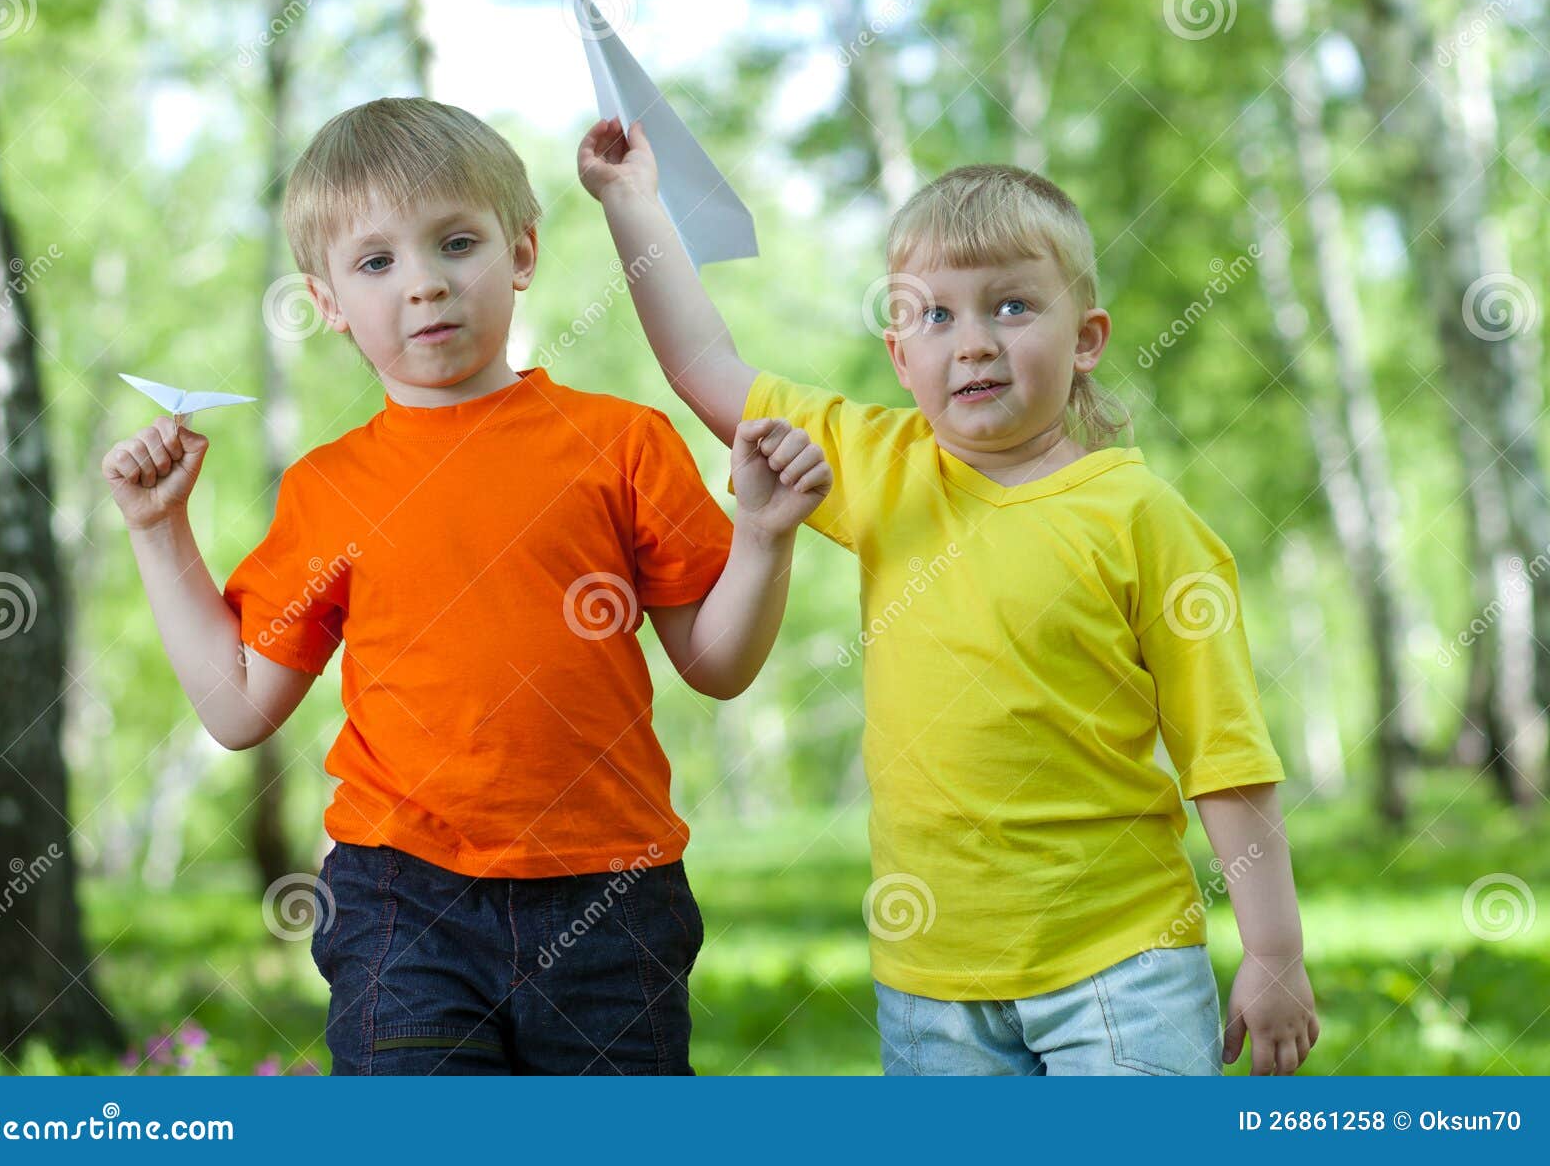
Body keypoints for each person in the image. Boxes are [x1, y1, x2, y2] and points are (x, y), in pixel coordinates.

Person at [101, 97, 832, 1075]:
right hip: (403, 901)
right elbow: (236, 704)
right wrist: (159, 532)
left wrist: (765, 536)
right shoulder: (328, 487)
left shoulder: (620, 442)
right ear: (324, 301)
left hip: (615, 896)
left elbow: (717, 662)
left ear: (521, 253)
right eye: (376, 262)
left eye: (456, 242)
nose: (425, 286)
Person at [577, 115, 1318, 1076]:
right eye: (935, 316)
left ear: (1086, 338)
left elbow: (1225, 754)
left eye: (1011, 307)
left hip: (1122, 965)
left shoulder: (1142, 518)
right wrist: (634, 203)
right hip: (930, 978)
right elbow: (703, 367)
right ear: (900, 357)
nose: (971, 344)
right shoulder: (882, 467)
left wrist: (1274, 952)